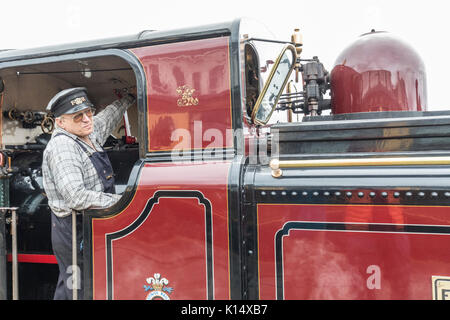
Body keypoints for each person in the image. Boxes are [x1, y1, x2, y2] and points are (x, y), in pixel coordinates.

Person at [42, 87, 135, 300]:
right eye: (78, 116)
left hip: (91, 223)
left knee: (79, 286)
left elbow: (107, 118)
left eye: (88, 112)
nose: (86, 119)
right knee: (79, 289)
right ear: (60, 122)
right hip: (73, 229)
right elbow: (76, 196)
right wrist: (126, 202)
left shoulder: (87, 132)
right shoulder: (63, 147)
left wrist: (129, 97)